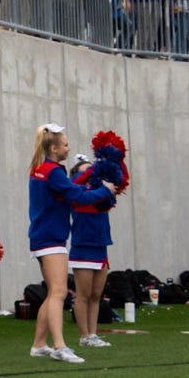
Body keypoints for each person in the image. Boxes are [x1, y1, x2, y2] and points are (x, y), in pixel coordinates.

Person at [24, 123, 114, 363]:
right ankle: (60, 345)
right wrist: (106, 191)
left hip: (44, 234)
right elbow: (77, 195)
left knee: (52, 293)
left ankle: (39, 344)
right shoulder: (53, 171)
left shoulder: (41, 168)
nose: (68, 147)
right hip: (50, 236)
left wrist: (89, 177)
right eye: (65, 144)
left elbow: (68, 189)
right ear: (54, 148)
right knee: (59, 292)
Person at [64, 137, 127, 348]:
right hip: (82, 246)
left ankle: (93, 334)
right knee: (83, 294)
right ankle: (84, 336)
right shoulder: (76, 192)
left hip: (101, 245)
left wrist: (118, 157)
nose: (90, 173)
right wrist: (92, 169)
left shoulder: (103, 194)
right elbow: (74, 184)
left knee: (96, 295)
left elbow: (122, 178)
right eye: (84, 171)